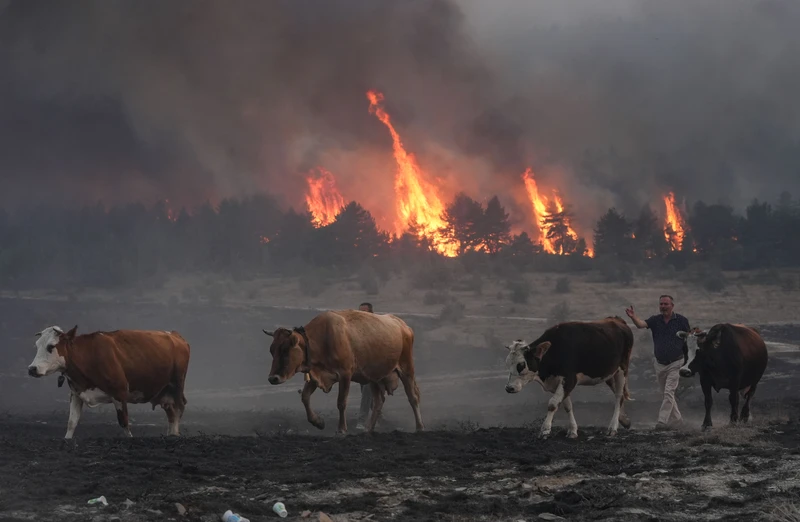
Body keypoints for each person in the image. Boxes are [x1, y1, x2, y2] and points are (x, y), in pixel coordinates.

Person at [625, 295, 690, 430]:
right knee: (667, 394)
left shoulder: (682, 321)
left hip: (676, 362)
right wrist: (633, 317)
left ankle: (662, 422)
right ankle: (678, 420)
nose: (663, 306)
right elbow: (641, 325)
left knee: (668, 392)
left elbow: (689, 337)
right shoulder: (655, 320)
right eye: (661, 304)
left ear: (672, 305)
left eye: (666, 304)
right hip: (660, 364)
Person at [356, 302, 375, 430]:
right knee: (365, 391)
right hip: (362, 366)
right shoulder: (358, 329)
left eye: (364, 312)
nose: (361, 315)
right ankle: (378, 416)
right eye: (360, 312)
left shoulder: (375, 328)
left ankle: (362, 421)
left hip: (375, 366)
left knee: (367, 391)